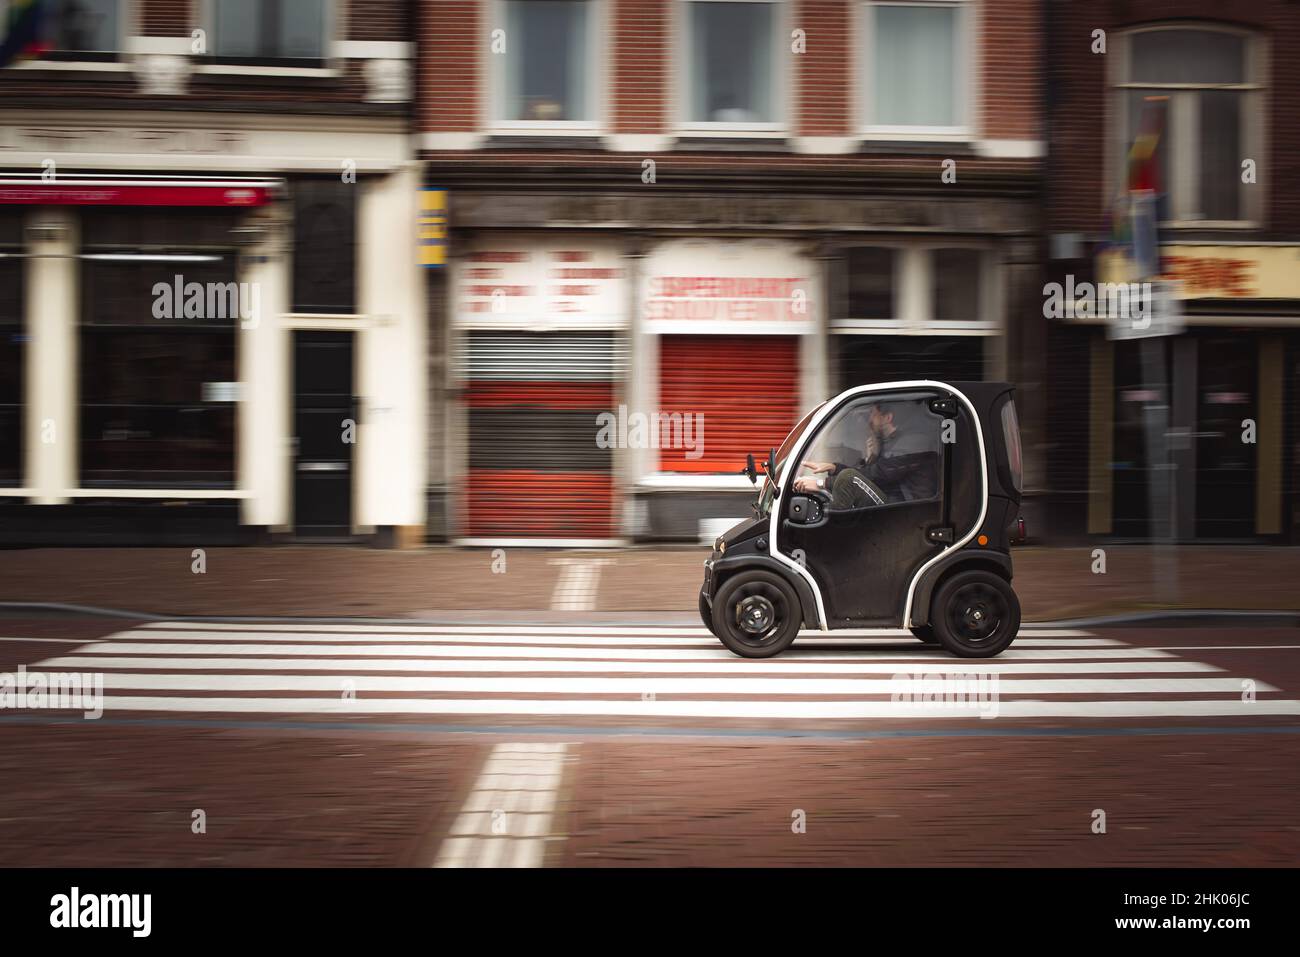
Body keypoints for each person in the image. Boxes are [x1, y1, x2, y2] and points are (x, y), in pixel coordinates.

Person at [793, 401, 939, 507]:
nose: (870, 420)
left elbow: (877, 474)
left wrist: (821, 484)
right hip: (894, 504)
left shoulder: (911, 443)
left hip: (908, 513)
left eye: (873, 415)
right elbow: (870, 475)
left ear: (887, 417)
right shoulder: (890, 443)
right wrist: (833, 467)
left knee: (848, 478)